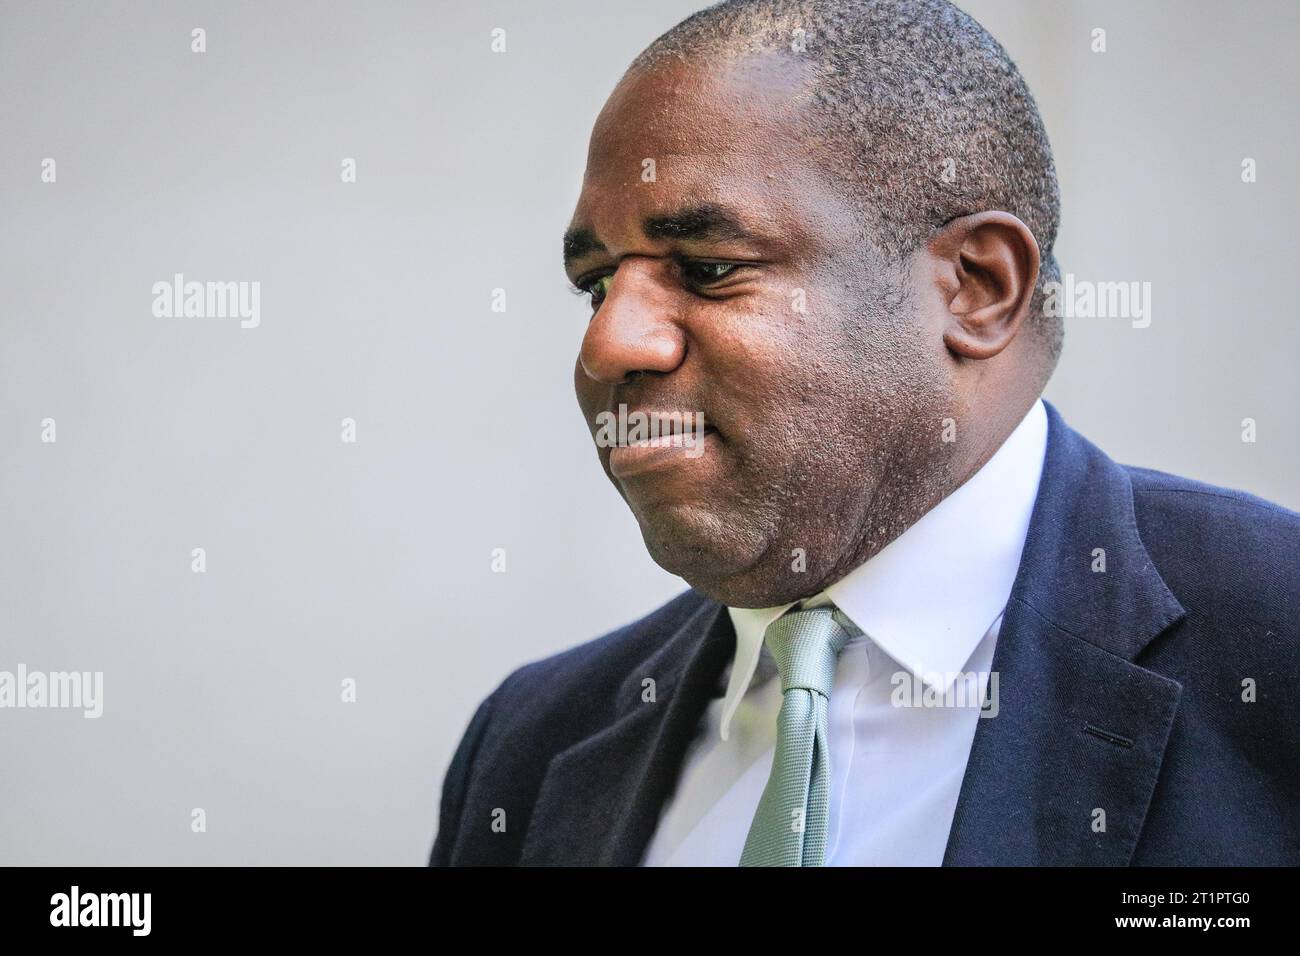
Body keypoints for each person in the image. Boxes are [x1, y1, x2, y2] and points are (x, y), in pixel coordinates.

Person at [430, 0, 1300, 866]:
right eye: (596, 285)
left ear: (977, 288)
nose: (609, 344)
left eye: (709, 268)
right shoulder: (531, 743)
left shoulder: (1274, 645)